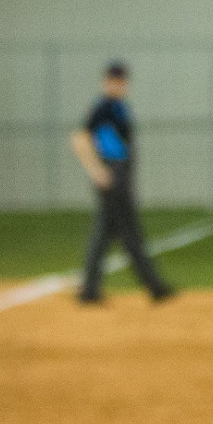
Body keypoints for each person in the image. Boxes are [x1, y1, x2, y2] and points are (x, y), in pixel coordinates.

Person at [69, 61, 175, 305]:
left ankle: (91, 289)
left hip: (122, 174)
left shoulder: (119, 107)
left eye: (122, 81)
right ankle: (152, 286)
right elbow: (79, 138)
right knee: (127, 232)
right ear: (106, 82)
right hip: (113, 175)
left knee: (110, 233)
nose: (119, 85)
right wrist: (96, 170)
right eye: (114, 81)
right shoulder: (104, 107)